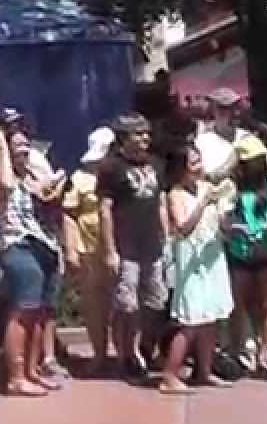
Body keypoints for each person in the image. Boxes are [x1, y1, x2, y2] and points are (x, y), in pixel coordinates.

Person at [0, 128, 63, 397]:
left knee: (41, 312)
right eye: (16, 144)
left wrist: (52, 188)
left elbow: (50, 201)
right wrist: (2, 151)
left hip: (45, 244)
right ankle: (15, 377)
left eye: (26, 143)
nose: (24, 147)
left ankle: (32, 370)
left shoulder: (32, 174)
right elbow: (6, 187)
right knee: (23, 309)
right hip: (17, 245)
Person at [98, 114, 169, 384]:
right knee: (127, 305)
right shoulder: (111, 168)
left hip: (152, 244)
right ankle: (126, 353)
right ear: (124, 138)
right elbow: (105, 210)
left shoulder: (156, 165)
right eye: (138, 134)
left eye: (147, 134)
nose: (145, 139)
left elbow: (160, 202)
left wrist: (167, 236)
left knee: (156, 301)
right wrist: (109, 250)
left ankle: (145, 347)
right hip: (126, 244)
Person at [161, 144, 235, 394]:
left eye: (199, 162)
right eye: (193, 163)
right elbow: (183, 228)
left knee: (210, 317)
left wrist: (225, 214)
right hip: (190, 262)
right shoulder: (175, 194)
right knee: (190, 320)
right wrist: (203, 202)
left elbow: (221, 225)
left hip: (212, 257)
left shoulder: (208, 188)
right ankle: (169, 375)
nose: (198, 168)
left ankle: (203, 371)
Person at [224, 136, 267, 375]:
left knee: (266, 305)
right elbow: (225, 220)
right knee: (238, 305)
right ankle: (237, 351)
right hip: (240, 251)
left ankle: (264, 354)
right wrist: (237, 229)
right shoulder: (232, 187)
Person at [63, 126, 116, 376]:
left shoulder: (122, 175)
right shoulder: (81, 179)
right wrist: (71, 250)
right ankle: (99, 353)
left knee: (123, 304)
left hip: (119, 248)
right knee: (95, 305)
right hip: (89, 249)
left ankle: (128, 353)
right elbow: (69, 215)